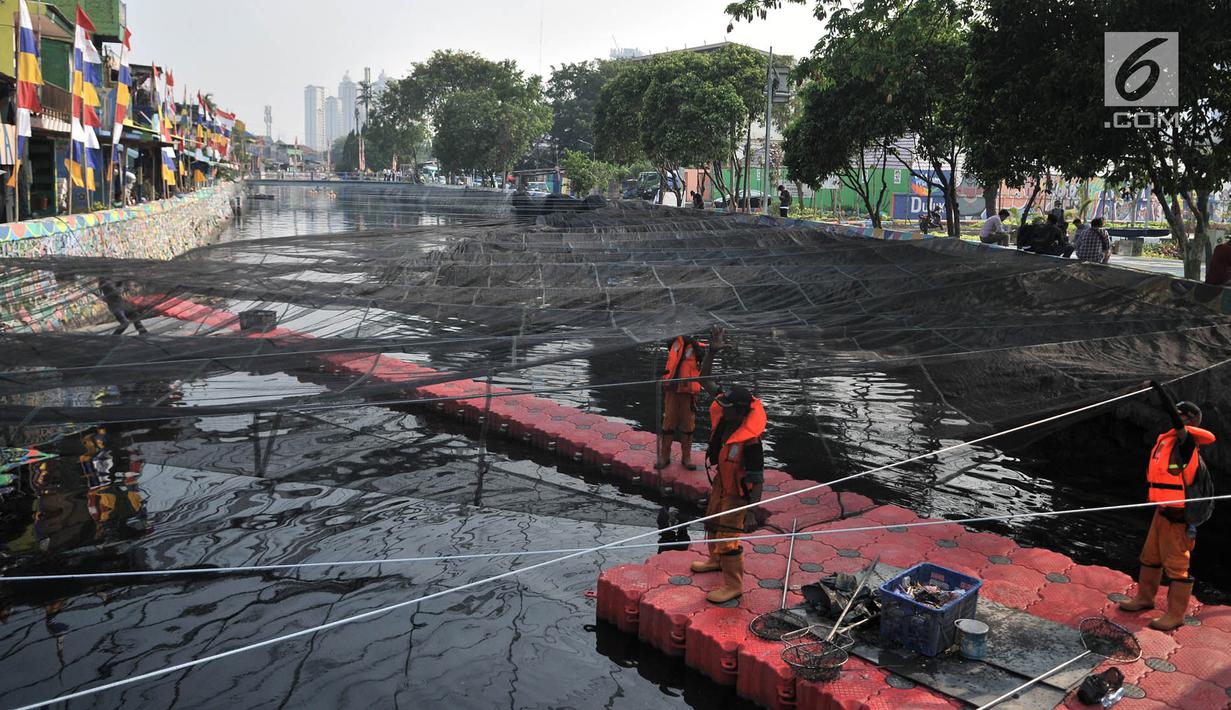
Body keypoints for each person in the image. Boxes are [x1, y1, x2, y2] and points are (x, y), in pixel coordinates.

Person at [1118, 381, 1215, 631]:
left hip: (1179, 519)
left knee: (1177, 566)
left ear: (1191, 421)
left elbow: (1174, 417)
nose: (1176, 419)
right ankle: (1144, 598)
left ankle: (1175, 614)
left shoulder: (1186, 445)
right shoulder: (1168, 442)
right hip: (1161, 512)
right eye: (1178, 414)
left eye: (1182, 416)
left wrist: (1156, 387)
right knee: (1149, 558)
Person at [688, 327, 766, 604]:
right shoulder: (727, 414)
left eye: (729, 406)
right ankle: (714, 560)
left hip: (738, 494)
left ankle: (734, 585)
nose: (723, 406)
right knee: (712, 520)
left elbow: (757, 479)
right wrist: (713, 352)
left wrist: (752, 512)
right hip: (722, 482)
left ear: (742, 411)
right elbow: (705, 379)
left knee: (730, 535)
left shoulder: (751, 442)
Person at [657, 334, 707, 470]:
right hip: (671, 391)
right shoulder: (673, 342)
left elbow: (704, 367)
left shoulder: (697, 348)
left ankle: (686, 457)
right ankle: (664, 456)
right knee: (668, 422)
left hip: (688, 393)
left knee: (688, 424)